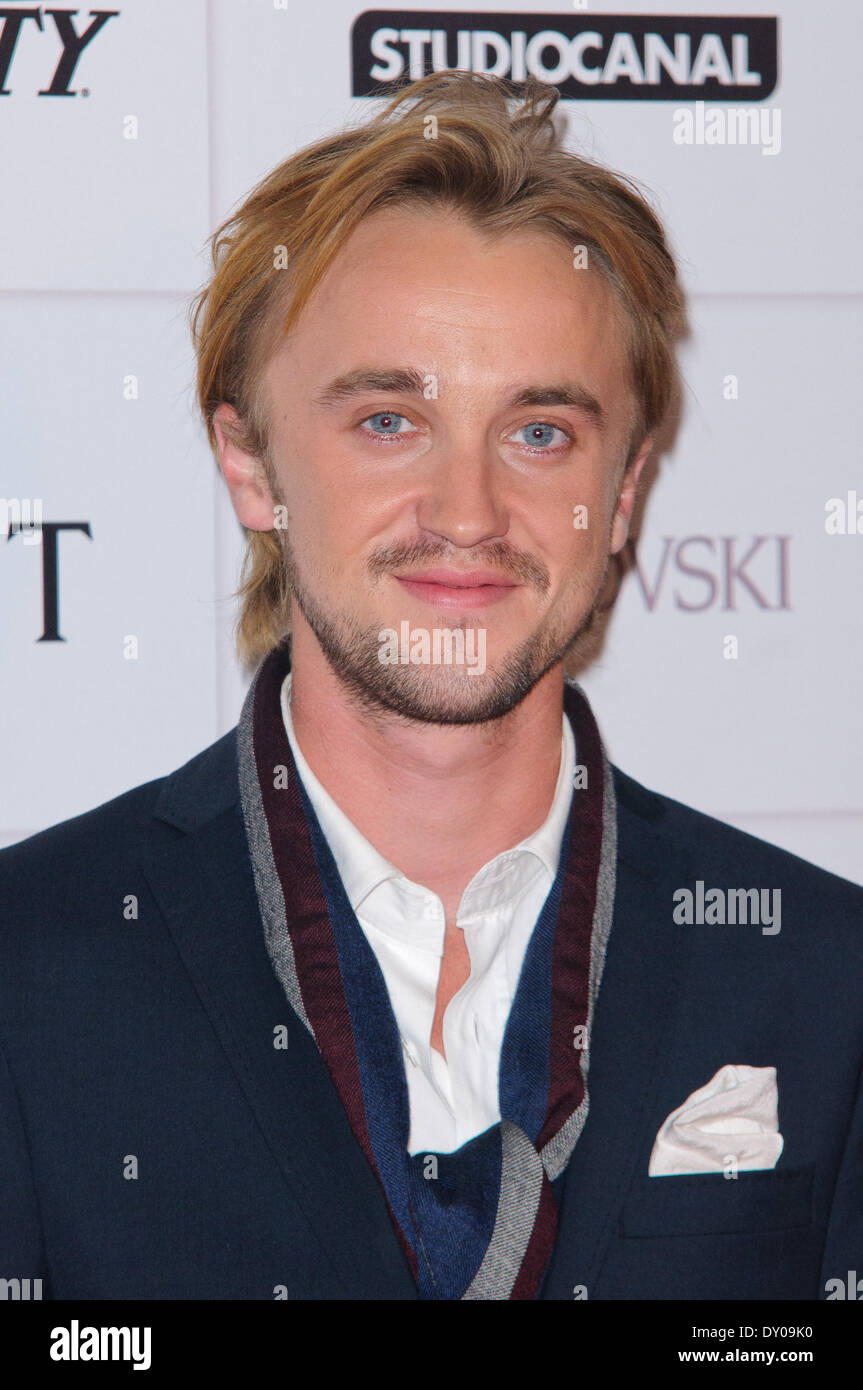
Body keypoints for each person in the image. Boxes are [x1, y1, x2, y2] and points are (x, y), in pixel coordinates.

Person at [1, 71, 860, 1301]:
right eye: (389, 421)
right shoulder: (28, 968)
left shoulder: (824, 978)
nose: (467, 514)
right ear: (249, 463)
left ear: (621, 496)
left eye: (539, 433)